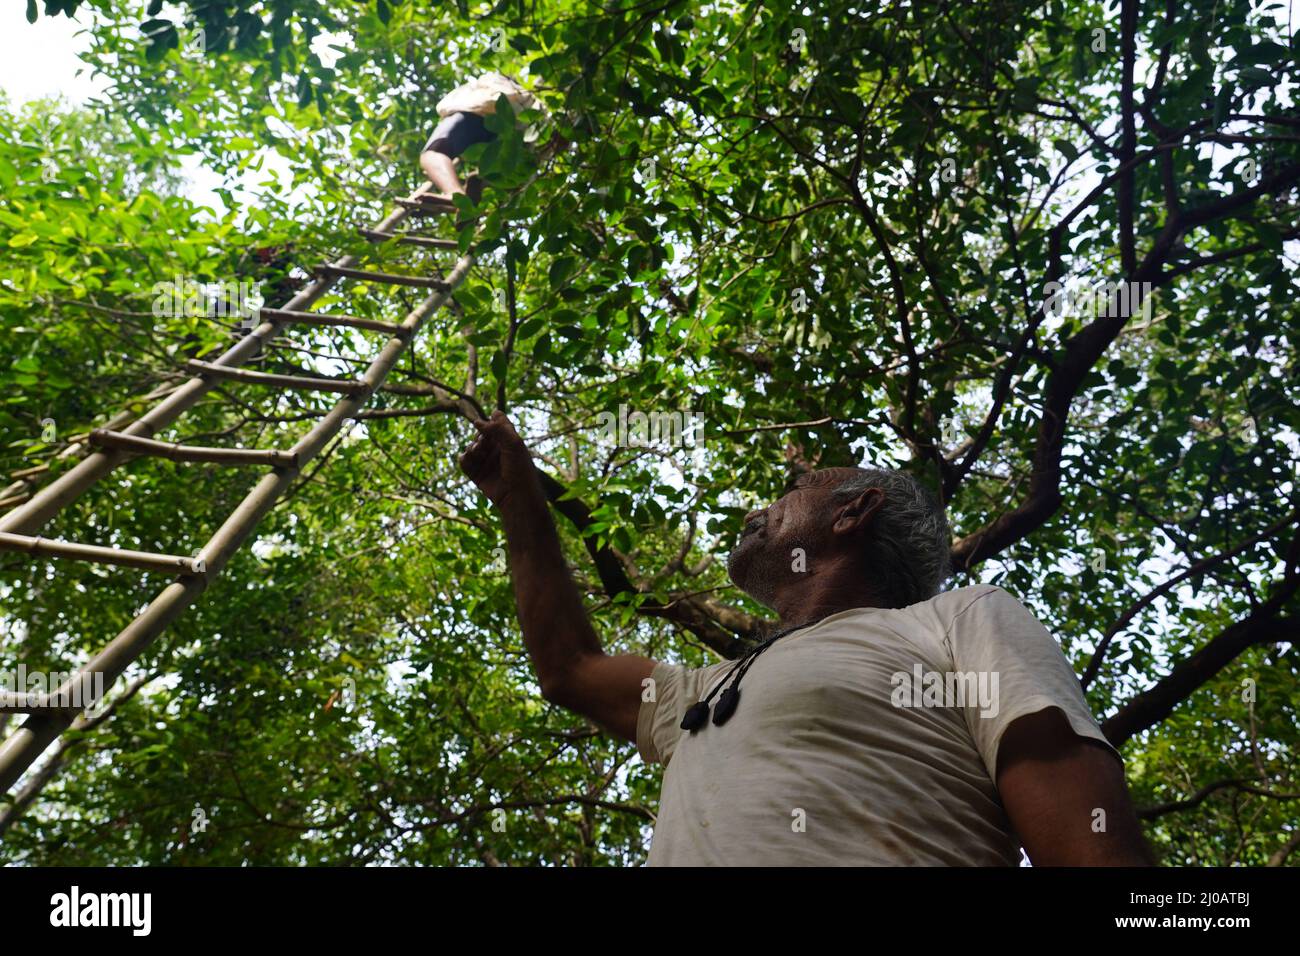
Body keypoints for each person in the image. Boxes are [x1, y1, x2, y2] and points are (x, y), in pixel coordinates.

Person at [459, 411, 1154, 866]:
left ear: (855, 512)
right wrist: (518, 497)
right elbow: (569, 668)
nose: (759, 509)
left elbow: (1088, 849)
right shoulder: (707, 691)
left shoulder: (958, 619)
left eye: (793, 489)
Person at [419, 72, 540, 203]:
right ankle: (480, 183)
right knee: (505, 175)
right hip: (507, 131)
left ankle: (455, 195)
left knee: (433, 154)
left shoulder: (492, 81)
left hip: (476, 111)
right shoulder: (527, 99)